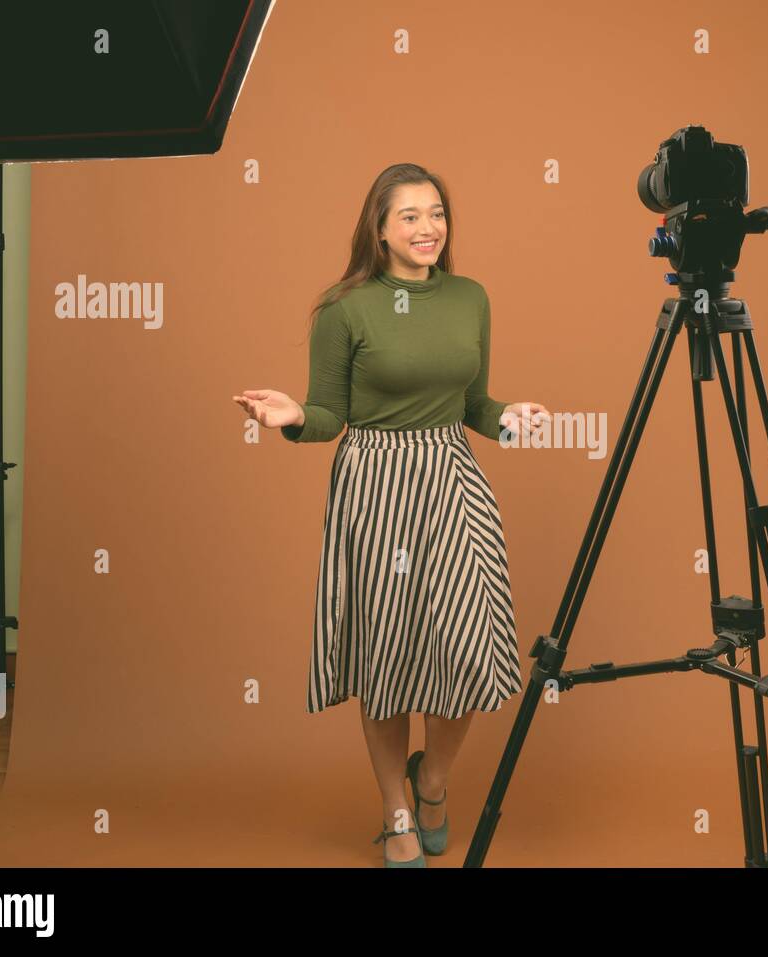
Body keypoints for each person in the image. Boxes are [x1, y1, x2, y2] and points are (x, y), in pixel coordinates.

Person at [233, 163, 549, 866]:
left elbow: (475, 407)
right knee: (386, 655)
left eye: (436, 212)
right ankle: (396, 808)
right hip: (373, 483)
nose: (427, 227)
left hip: (451, 478)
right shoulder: (346, 309)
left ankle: (431, 780)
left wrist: (511, 418)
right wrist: (291, 418)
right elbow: (327, 417)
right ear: (378, 229)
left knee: (466, 646)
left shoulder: (470, 298)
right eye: (408, 215)